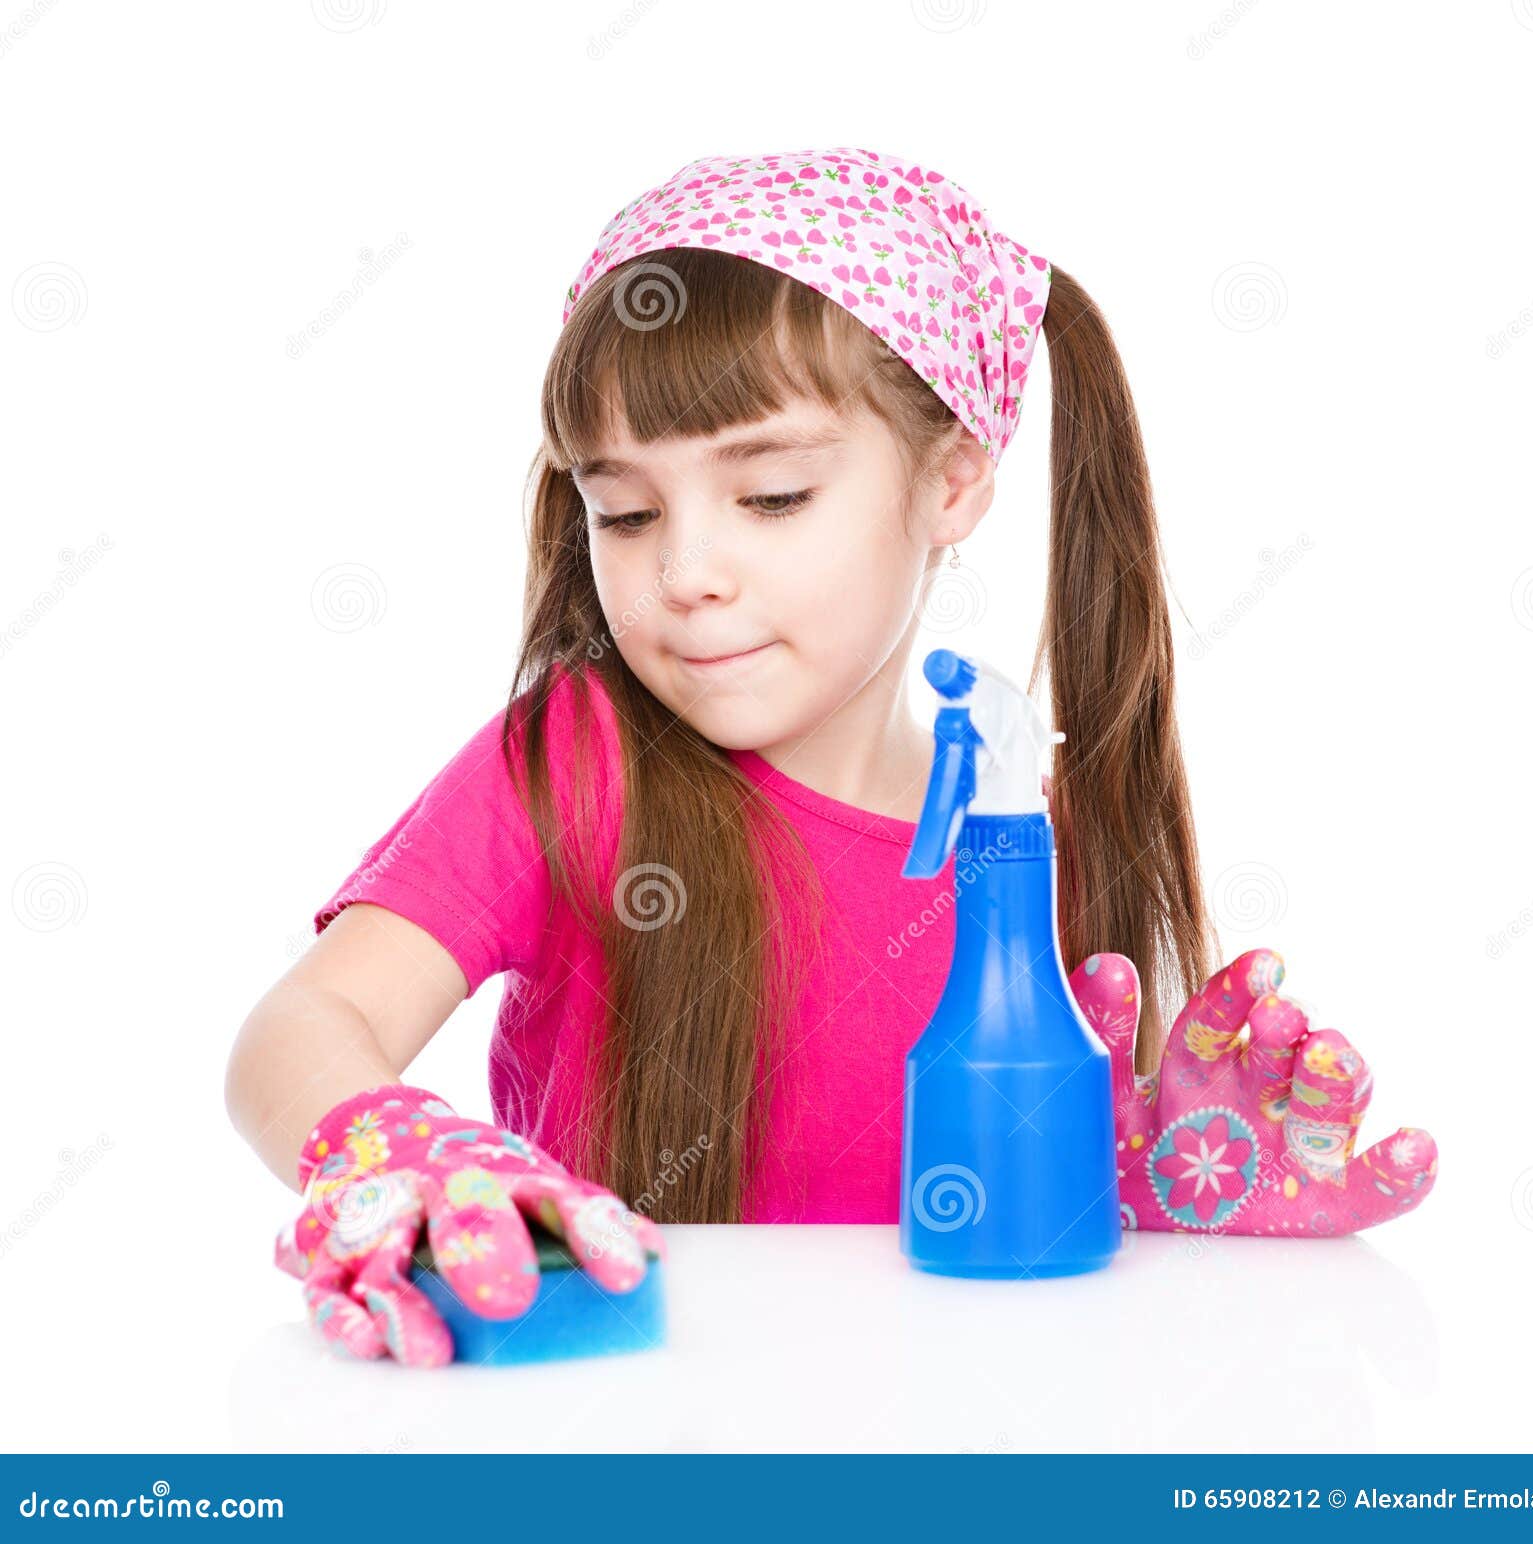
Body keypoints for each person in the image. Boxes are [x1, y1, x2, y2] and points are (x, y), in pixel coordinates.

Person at [226, 147, 1437, 1366]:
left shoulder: (1026, 840)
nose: (686, 571)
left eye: (772, 496)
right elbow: (306, 1020)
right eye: (627, 511)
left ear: (954, 477)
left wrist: (1156, 1211)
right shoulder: (574, 765)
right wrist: (411, 1157)